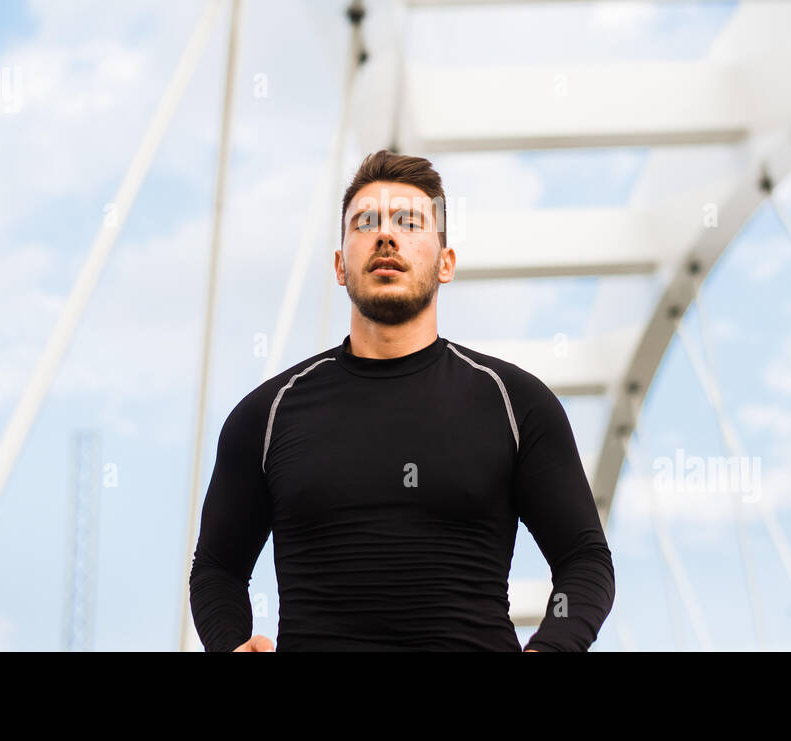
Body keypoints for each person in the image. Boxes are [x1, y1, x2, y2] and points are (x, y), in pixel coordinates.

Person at [188, 150, 615, 650]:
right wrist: (230, 643)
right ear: (340, 265)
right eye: (365, 223)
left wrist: (552, 647)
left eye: (409, 222)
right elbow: (217, 568)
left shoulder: (516, 404)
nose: (385, 235)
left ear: (446, 263)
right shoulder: (266, 415)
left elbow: (584, 558)